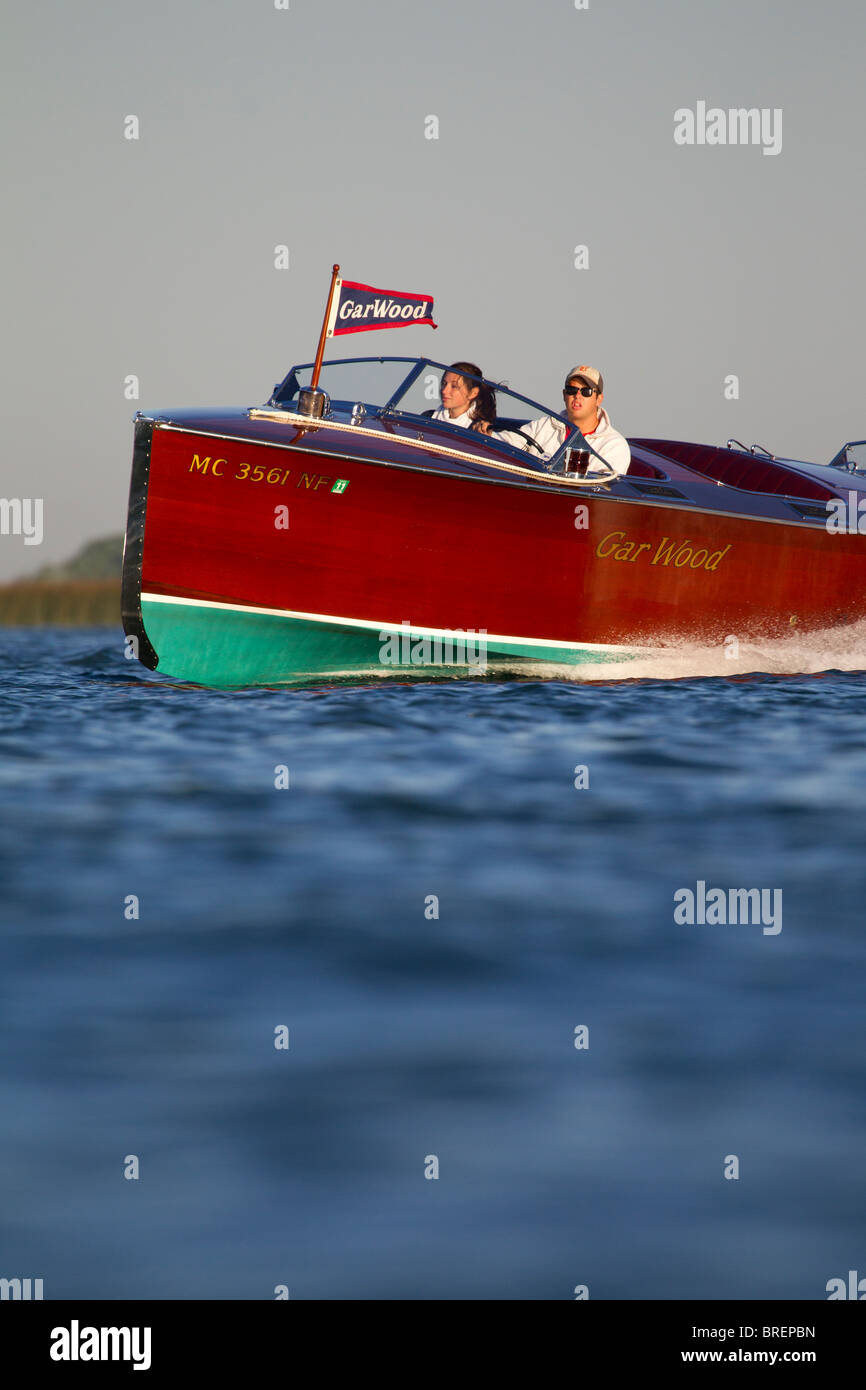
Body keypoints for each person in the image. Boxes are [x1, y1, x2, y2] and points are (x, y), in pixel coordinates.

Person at [481, 365, 630, 474]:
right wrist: (489, 436)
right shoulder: (544, 426)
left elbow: (603, 490)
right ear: (564, 395)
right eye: (572, 390)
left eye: (586, 391)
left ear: (599, 399)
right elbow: (511, 441)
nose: (577, 396)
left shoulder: (614, 444)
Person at [432, 362, 497, 431]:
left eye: (454, 386)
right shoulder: (428, 416)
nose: (444, 391)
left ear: (473, 393)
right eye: (444, 383)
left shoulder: (479, 430)